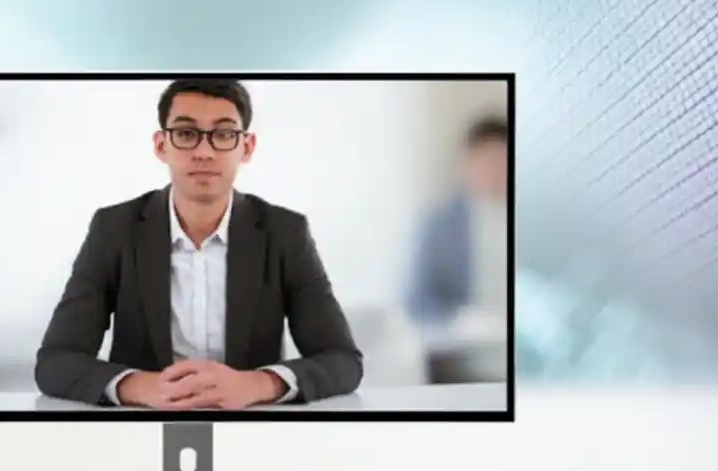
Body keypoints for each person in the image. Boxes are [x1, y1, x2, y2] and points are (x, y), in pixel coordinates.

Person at [35, 79, 363, 409]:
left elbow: (342, 361)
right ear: (161, 145)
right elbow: (56, 362)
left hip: (252, 429)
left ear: (246, 148)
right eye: (186, 134)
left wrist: (258, 384)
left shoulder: (284, 232)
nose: (204, 152)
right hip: (141, 429)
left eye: (223, 134)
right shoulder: (115, 228)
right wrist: (141, 387)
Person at [404, 115, 509, 327]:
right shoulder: (438, 223)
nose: (495, 173)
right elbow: (416, 301)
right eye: (487, 162)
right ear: (466, 164)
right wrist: (460, 321)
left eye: (502, 162)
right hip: (464, 346)